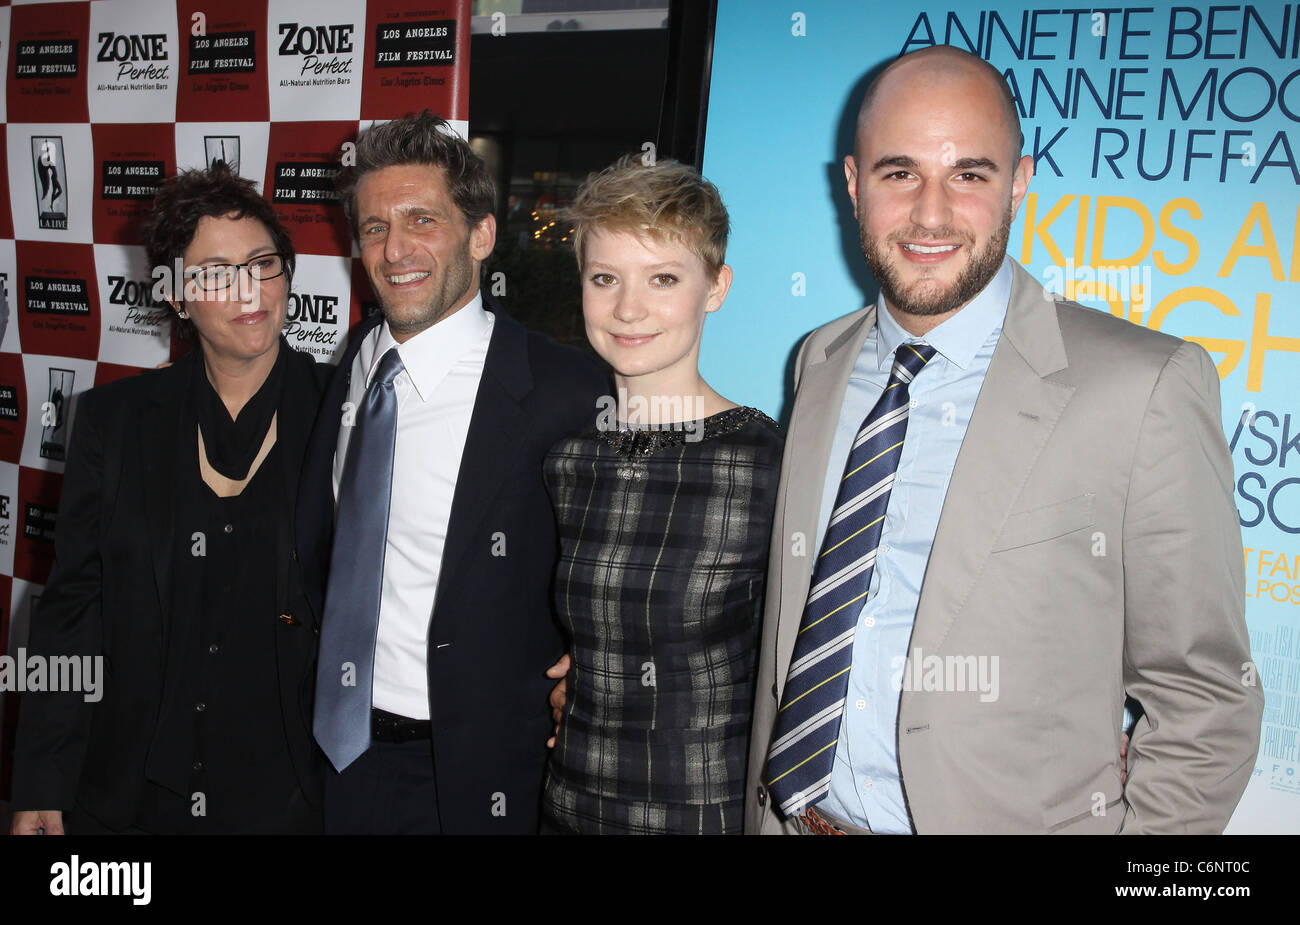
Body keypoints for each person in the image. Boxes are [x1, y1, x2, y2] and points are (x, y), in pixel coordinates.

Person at [746, 45, 1262, 835]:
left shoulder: (1144, 386)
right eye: (899, 172)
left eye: (970, 174)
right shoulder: (819, 360)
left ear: (1019, 182)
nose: (930, 213)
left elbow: (1205, 695)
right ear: (853, 183)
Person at [300, 111, 608, 835]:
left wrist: (595, 664)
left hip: (480, 779)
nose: (395, 248)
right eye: (374, 227)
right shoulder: (350, 365)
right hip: (335, 761)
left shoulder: (565, 391)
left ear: (481, 235)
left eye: (421, 220)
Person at [10, 163, 329, 834]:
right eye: (216, 271)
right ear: (179, 297)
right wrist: (41, 775)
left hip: (292, 799)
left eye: (263, 263)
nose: (249, 289)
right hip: (129, 792)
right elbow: (73, 608)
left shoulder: (345, 414)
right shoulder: (114, 422)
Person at [540, 158, 782, 835]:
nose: (628, 308)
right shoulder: (570, 461)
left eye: (663, 279)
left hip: (703, 815)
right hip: (567, 807)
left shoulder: (769, 464)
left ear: (716, 286)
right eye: (605, 278)